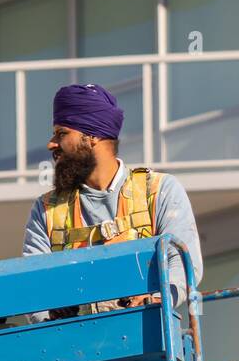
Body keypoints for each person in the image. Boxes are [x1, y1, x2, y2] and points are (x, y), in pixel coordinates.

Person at [22, 83, 202, 314]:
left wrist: (156, 299)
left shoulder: (159, 190)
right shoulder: (46, 210)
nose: (51, 144)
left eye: (62, 133)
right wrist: (51, 315)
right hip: (72, 345)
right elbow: (33, 286)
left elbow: (185, 264)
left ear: (92, 136)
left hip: (148, 340)